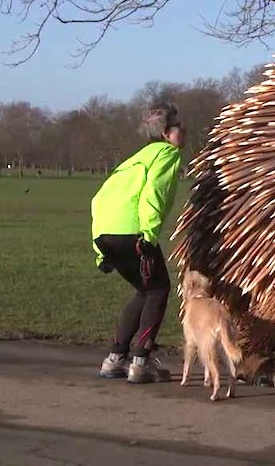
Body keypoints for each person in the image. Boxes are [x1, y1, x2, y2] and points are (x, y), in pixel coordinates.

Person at [90, 102, 186, 383]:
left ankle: (115, 359)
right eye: (178, 126)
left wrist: (100, 251)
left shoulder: (136, 158)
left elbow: (100, 198)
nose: (184, 131)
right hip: (135, 232)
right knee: (158, 290)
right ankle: (141, 361)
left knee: (144, 291)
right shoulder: (166, 154)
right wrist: (149, 236)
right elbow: (153, 195)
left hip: (106, 234)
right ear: (166, 134)